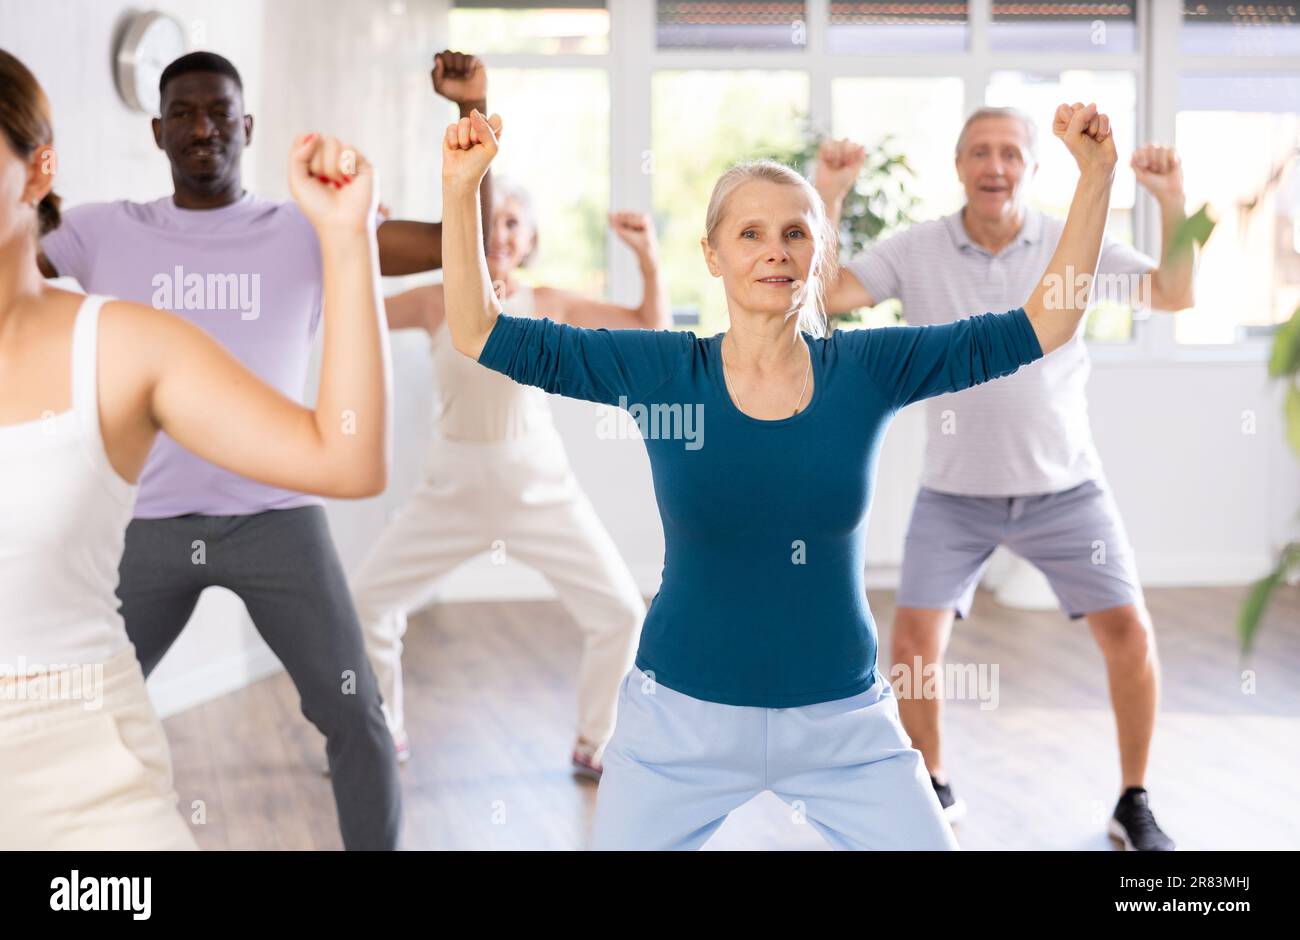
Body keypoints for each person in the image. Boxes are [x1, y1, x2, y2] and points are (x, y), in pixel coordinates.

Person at [436, 102, 1118, 850]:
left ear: (818, 254)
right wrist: (462, 187)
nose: (775, 251)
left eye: (796, 233)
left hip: (843, 724)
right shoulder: (662, 370)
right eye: (752, 233)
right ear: (713, 253)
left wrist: (1095, 177)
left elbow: (1043, 326)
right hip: (678, 723)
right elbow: (478, 331)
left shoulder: (868, 368)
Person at [34, 49, 492, 851]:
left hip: (277, 518)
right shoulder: (103, 230)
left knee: (355, 710)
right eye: (184, 112)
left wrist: (471, 110)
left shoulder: (308, 228)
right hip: (147, 526)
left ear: (247, 127)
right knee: (71, 714)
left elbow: (463, 244)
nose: (203, 127)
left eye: (219, 112)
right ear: (157, 130)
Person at [814, 106, 1193, 851]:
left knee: (1131, 632)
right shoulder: (919, 248)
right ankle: (936, 783)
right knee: (914, 644)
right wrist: (829, 194)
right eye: (980, 152)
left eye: (1011, 153)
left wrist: (1172, 201)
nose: (995, 166)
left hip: (1066, 488)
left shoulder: (1069, 240)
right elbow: (825, 295)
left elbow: (1173, 294)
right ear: (959, 166)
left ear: (1031, 167)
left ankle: (1134, 800)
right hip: (955, 493)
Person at [351, 181, 666, 776]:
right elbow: (346, 305)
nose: (499, 231)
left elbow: (650, 322)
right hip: (450, 488)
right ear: (466, 230)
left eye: (514, 223)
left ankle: (593, 741)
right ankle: (382, 732)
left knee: (621, 612)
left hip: (539, 487)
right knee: (368, 601)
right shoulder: (432, 299)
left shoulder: (549, 302)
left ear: (530, 242)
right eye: (489, 219)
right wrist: (359, 234)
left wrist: (647, 253)